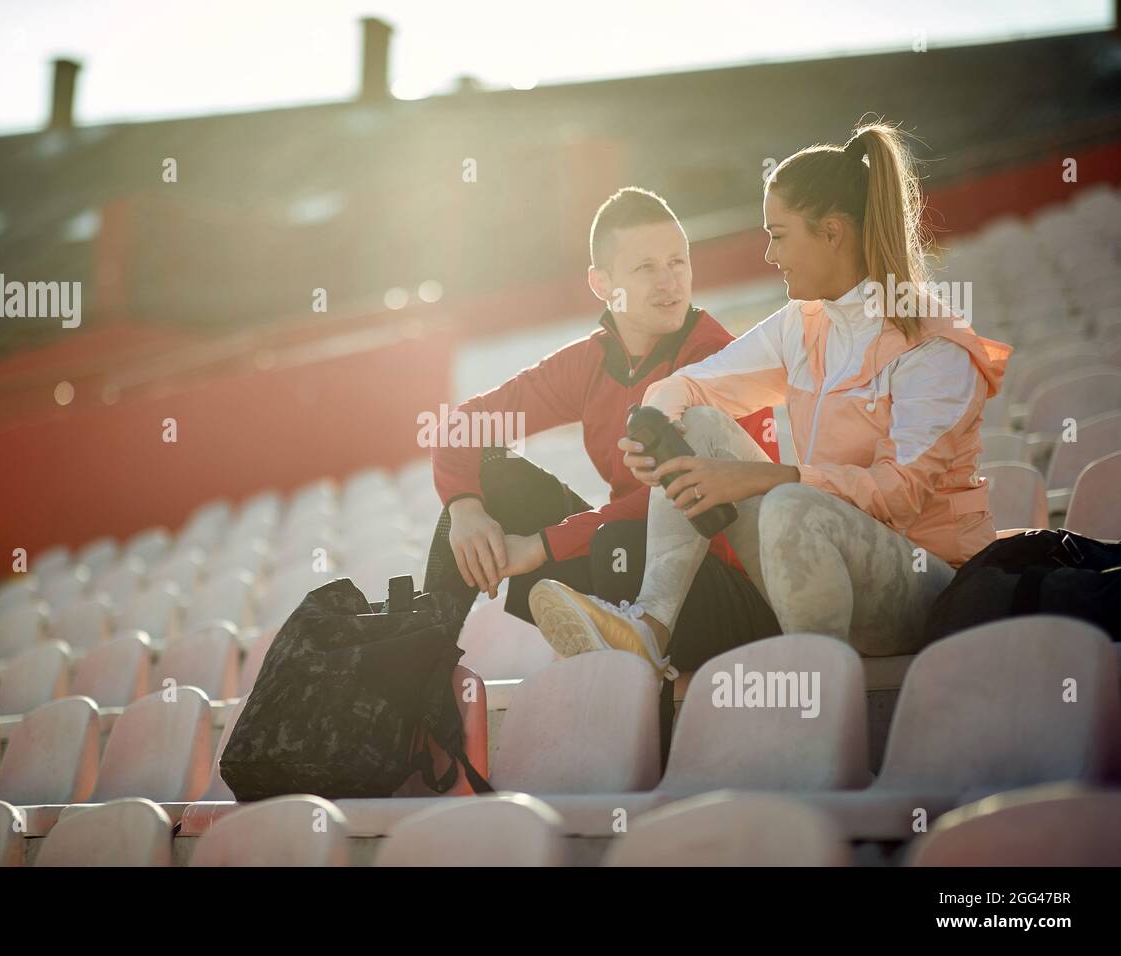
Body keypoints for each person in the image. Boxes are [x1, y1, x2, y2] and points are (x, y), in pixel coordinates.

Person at [529, 121, 1012, 670]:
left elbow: (896, 495)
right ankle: (650, 626)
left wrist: (763, 478)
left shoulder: (935, 348)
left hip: (933, 591)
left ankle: (818, 697)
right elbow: (686, 385)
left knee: (789, 505)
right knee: (699, 427)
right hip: (820, 559)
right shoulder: (801, 324)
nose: (768, 253)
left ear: (831, 234)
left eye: (779, 235)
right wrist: (654, 430)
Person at [424, 187, 782, 677]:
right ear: (601, 283)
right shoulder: (592, 362)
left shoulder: (714, 358)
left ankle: (630, 646)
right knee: (491, 479)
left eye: (678, 262)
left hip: (731, 595)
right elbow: (464, 426)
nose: (669, 282)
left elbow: (669, 498)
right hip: (625, 571)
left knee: (625, 539)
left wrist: (543, 546)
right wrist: (464, 508)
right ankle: (423, 663)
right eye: (646, 268)